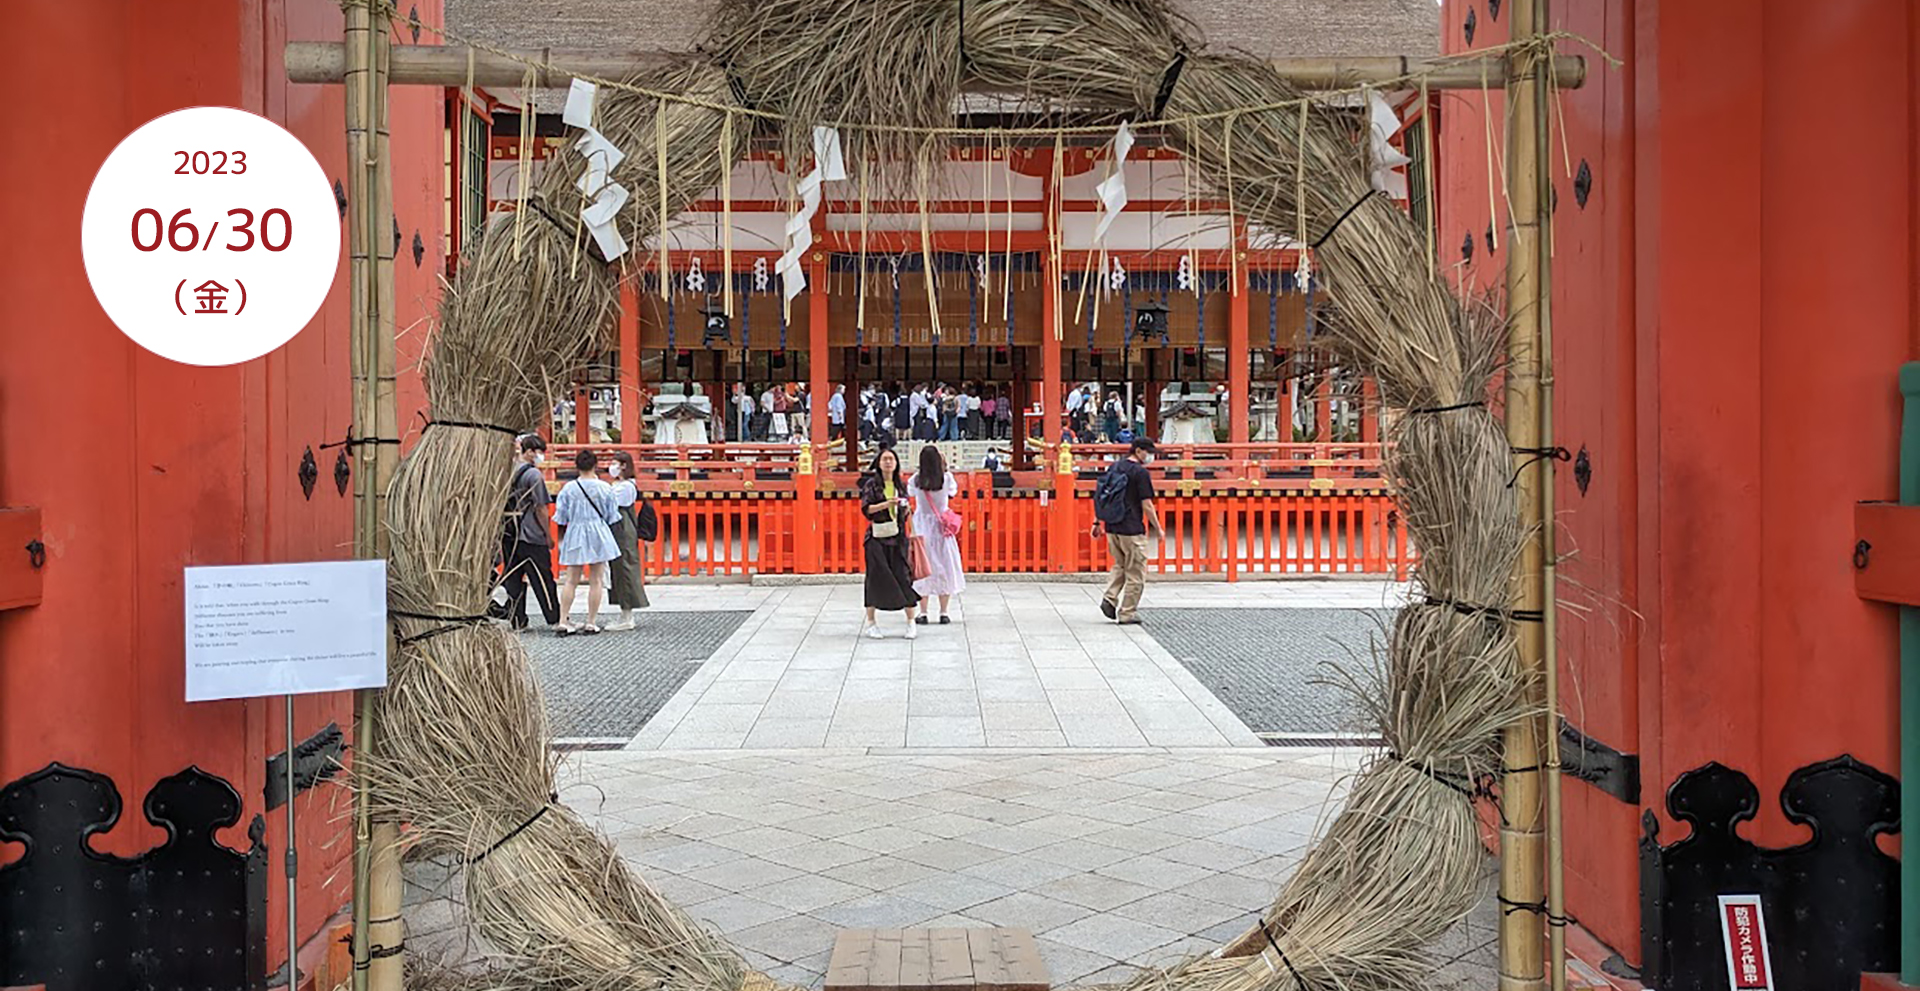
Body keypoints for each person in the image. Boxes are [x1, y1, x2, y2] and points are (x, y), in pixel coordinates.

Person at [1092, 437, 1163, 625]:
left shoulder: (1114, 467)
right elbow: (1147, 504)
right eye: (1149, 453)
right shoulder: (1140, 473)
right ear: (1138, 451)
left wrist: (1097, 521)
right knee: (1136, 571)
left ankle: (1110, 597)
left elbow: (1101, 496)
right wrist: (1158, 528)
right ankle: (1127, 612)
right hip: (1132, 528)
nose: (1150, 457)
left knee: (1120, 564)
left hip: (1112, 525)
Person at [552, 449, 622, 635]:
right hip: (598, 531)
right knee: (596, 580)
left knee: (571, 580)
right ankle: (591, 621)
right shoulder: (605, 488)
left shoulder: (568, 488)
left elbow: (561, 517)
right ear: (595, 465)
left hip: (575, 531)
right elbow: (611, 515)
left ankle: (563, 620)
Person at [496, 434, 560, 631]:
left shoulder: (505, 471)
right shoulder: (533, 475)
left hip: (508, 532)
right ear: (530, 451)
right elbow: (541, 508)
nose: (540, 456)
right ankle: (554, 618)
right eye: (539, 452)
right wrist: (548, 535)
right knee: (542, 578)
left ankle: (518, 620)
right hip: (530, 533)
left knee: (513, 577)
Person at [860, 447, 920, 639]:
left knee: (903, 576)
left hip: (898, 536)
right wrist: (887, 504)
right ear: (878, 462)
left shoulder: (899, 484)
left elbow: (905, 508)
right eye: (885, 459)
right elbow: (867, 509)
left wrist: (906, 508)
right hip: (877, 537)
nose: (888, 462)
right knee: (875, 578)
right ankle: (871, 622)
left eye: (891, 459)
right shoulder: (872, 484)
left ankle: (911, 622)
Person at [909, 444, 966, 624]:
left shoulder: (916, 479)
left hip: (922, 525)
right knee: (944, 565)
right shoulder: (947, 478)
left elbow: (910, 493)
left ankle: (923, 612)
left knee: (923, 567)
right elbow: (952, 493)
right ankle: (944, 612)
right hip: (942, 527)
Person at [602, 451, 651, 630]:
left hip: (623, 528)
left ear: (623, 465)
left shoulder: (627, 487)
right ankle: (623, 611)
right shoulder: (619, 484)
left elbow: (610, 503)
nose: (611, 466)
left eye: (614, 463)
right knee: (618, 567)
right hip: (617, 527)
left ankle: (627, 615)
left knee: (625, 567)